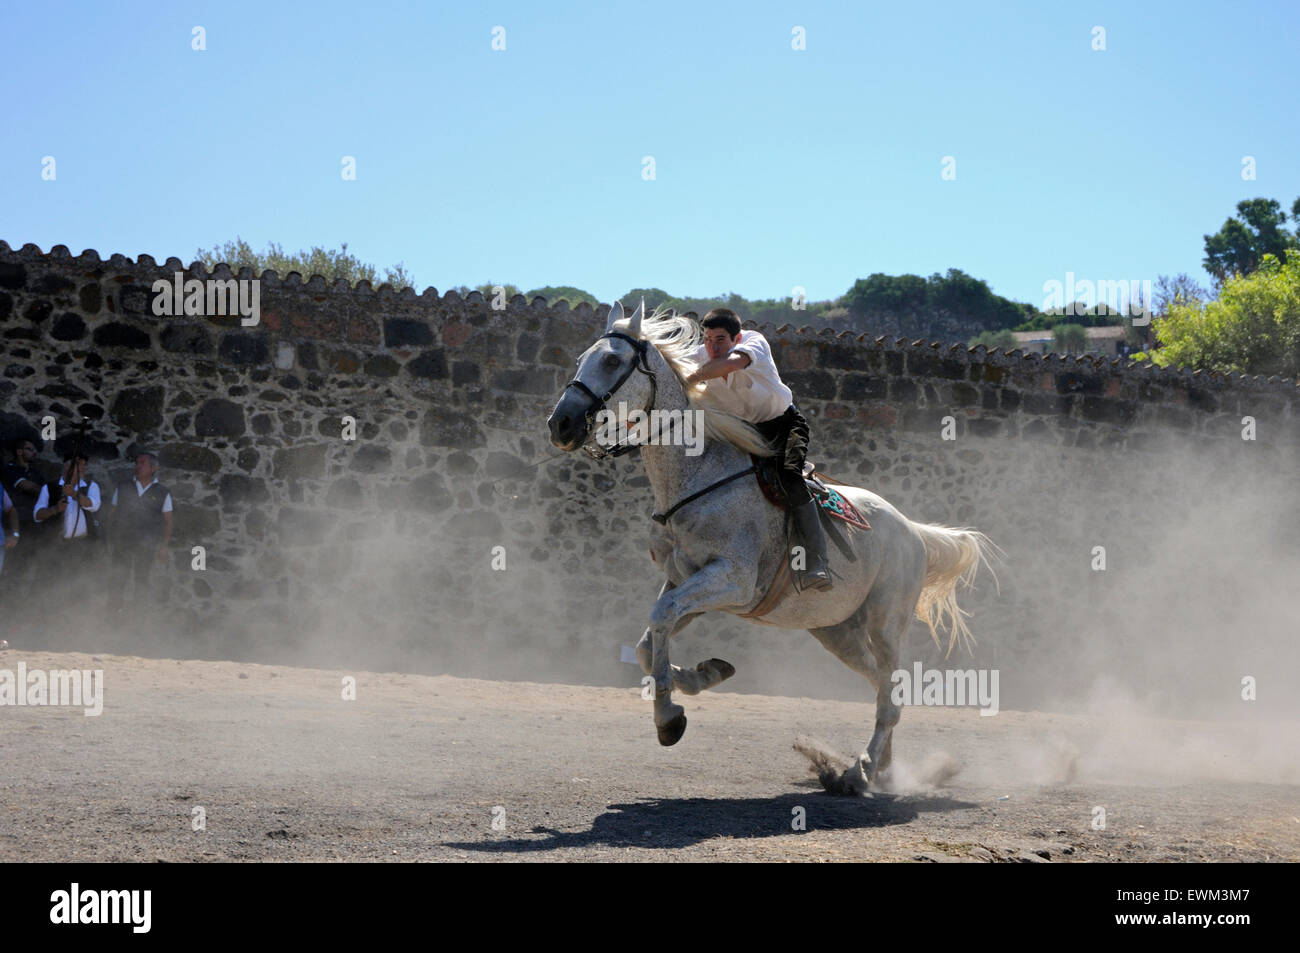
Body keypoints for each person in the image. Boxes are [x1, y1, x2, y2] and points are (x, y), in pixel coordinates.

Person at [684, 307, 832, 591]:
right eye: (707, 339)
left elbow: (728, 365)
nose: (712, 347)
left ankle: (817, 562)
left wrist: (687, 379)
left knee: (789, 477)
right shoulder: (701, 357)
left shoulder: (754, 342)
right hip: (744, 431)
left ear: (736, 337)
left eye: (720, 340)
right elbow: (668, 369)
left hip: (784, 426)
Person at [107, 452, 173, 616]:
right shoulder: (123, 487)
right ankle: (113, 614)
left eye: (142, 463)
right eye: (136, 463)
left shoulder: (162, 492)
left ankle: (137, 617)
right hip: (122, 541)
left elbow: (168, 521)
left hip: (147, 544)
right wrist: (110, 537)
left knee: (142, 579)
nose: (137, 467)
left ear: (153, 468)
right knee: (118, 579)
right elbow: (112, 514)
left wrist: (163, 547)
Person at [32, 453, 102, 571]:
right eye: (79, 464)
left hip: (84, 546)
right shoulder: (49, 487)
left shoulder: (91, 485)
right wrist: (55, 509)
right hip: (55, 547)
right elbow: (37, 516)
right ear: (67, 467)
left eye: (85, 465)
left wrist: (74, 494)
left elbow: (94, 505)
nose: (83, 468)